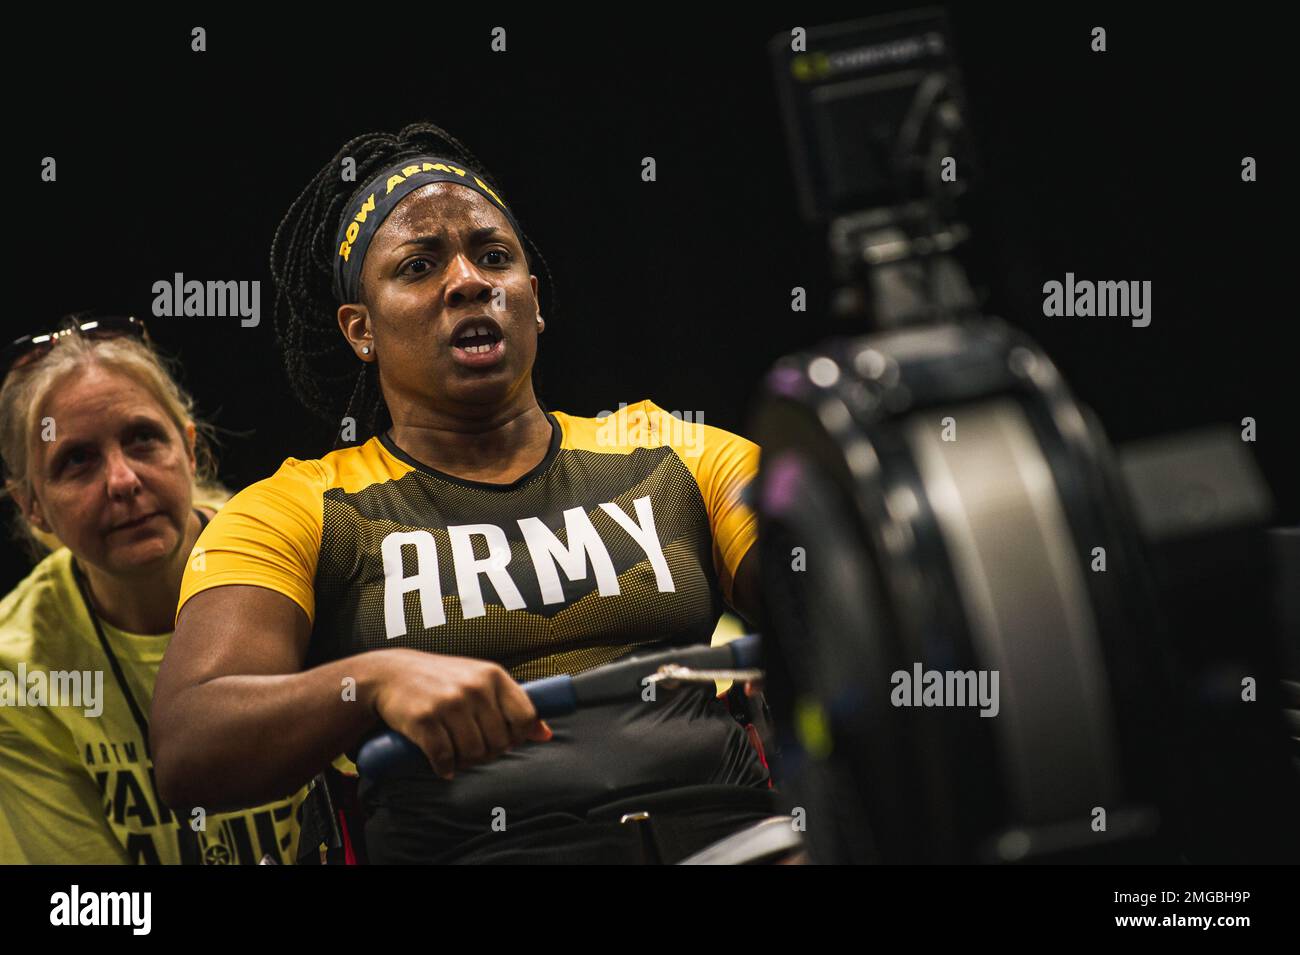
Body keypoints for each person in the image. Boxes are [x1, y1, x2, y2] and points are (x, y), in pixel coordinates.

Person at [152, 123, 775, 864]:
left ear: (533, 300)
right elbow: (190, 743)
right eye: (418, 266)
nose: (468, 280)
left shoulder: (681, 452)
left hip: (730, 843)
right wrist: (370, 680)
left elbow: (831, 582)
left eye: (493, 256)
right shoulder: (298, 509)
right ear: (360, 329)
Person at [0, 316, 305, 863]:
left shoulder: (307, 564)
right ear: (32, 506)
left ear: (189, 450)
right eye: (77, 460)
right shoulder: (16, 670)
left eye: (142, 439)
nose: (122, 481)